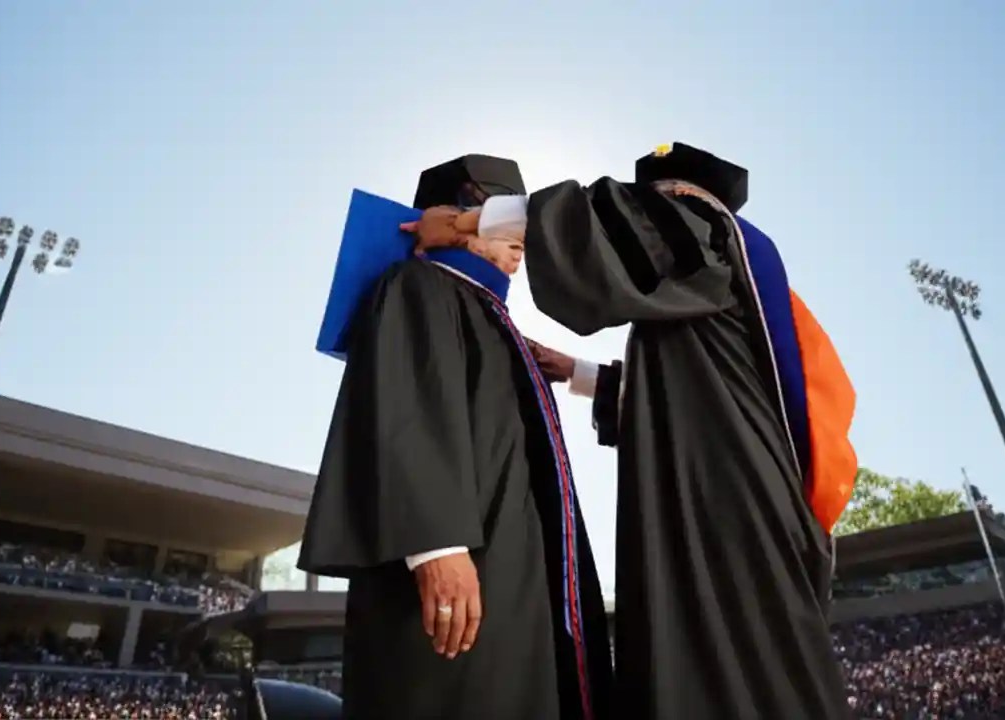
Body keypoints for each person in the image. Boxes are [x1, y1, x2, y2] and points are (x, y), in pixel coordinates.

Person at [410, 143, 858, 719]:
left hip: (734, 506)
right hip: (730, 487)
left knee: (743, 670)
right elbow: (693, 399)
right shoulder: (709, 292)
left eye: (655, 200)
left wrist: (465, 223)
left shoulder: (707, 226)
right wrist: (578, 372)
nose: (650, 207)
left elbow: (603, 223)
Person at [298, 154, 611, 720]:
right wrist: (437, 548)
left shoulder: (495, 319)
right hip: (459, 568)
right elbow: (408, 410)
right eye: (501, 217)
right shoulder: (419, 285)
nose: (521, 240)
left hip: (513, 569)